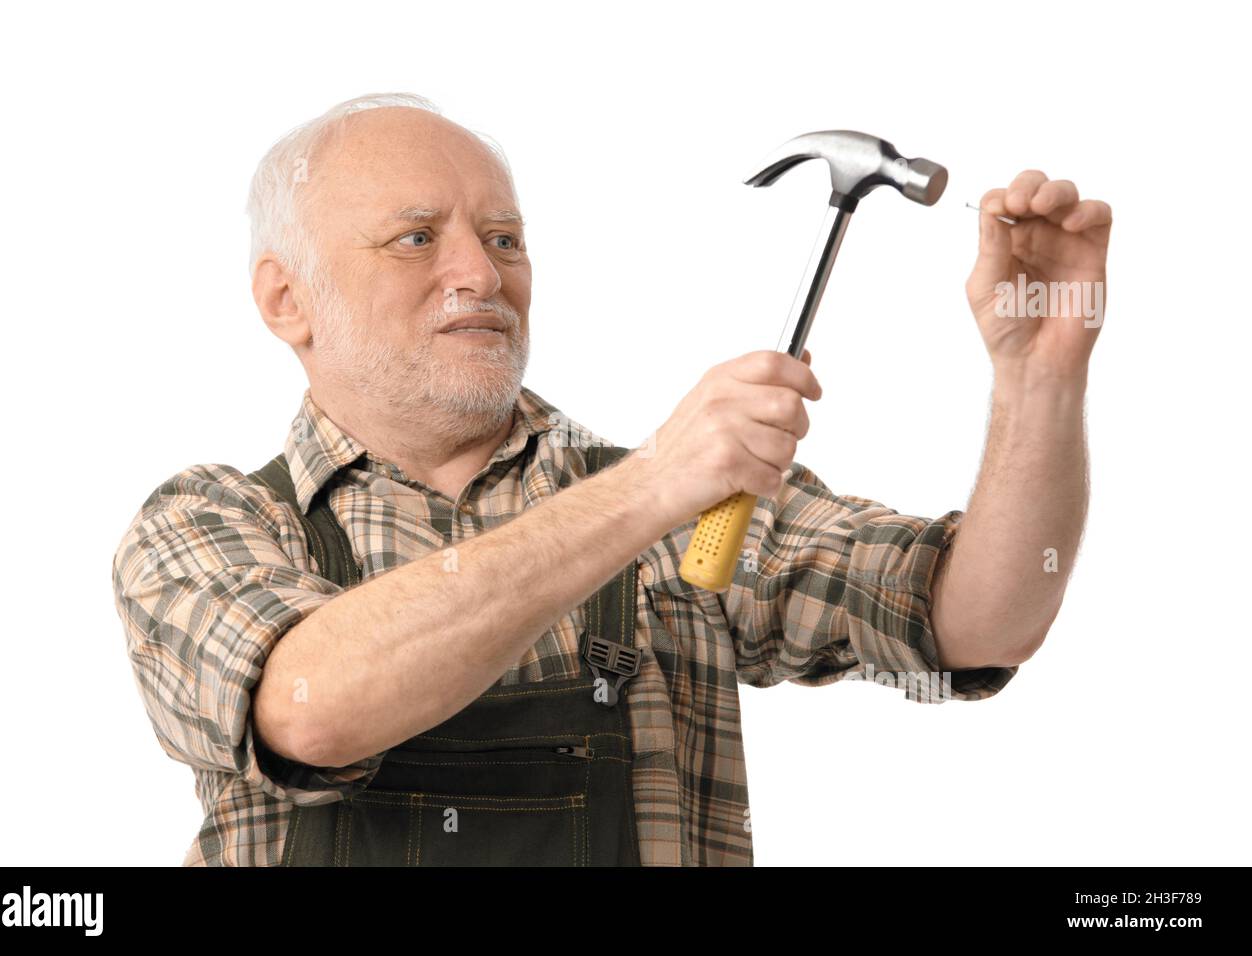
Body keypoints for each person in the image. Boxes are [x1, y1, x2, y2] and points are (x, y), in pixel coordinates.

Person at [110, 92, 1111, 866]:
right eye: (417, 237)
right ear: (287, 298)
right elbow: (310, 701)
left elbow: (978, 620)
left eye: (503, 238)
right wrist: (648, 490)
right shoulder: (210, 522)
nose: (480, 272)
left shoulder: (697, 507)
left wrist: (1040, 377)